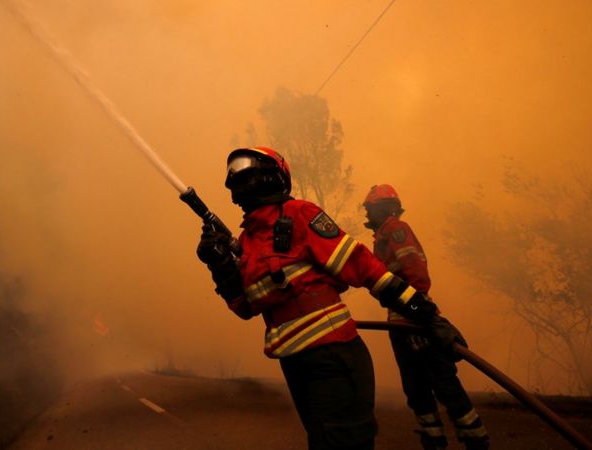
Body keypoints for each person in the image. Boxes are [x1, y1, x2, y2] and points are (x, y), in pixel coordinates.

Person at [196, 147, 463, 450]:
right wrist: (218, 265)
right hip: (295, 364)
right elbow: (246, 307)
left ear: (273, 176)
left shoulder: (300, 215)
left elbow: (366, 270)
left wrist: (426, 315)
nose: (238, 180)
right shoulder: (248, 242)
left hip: (334, 357)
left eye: (246, 172)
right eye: (234, 177)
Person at [362, 184, 490, 450]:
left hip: (414, 321)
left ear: (384, 208)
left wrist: (418, 316)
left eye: (371, 208)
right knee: (415, 386)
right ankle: (433, 438)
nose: (368, 214)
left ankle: (475, 440)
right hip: (400, 323)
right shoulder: (382, 236)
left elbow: (416, 272)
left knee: (442, 382)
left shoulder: (397, 230)